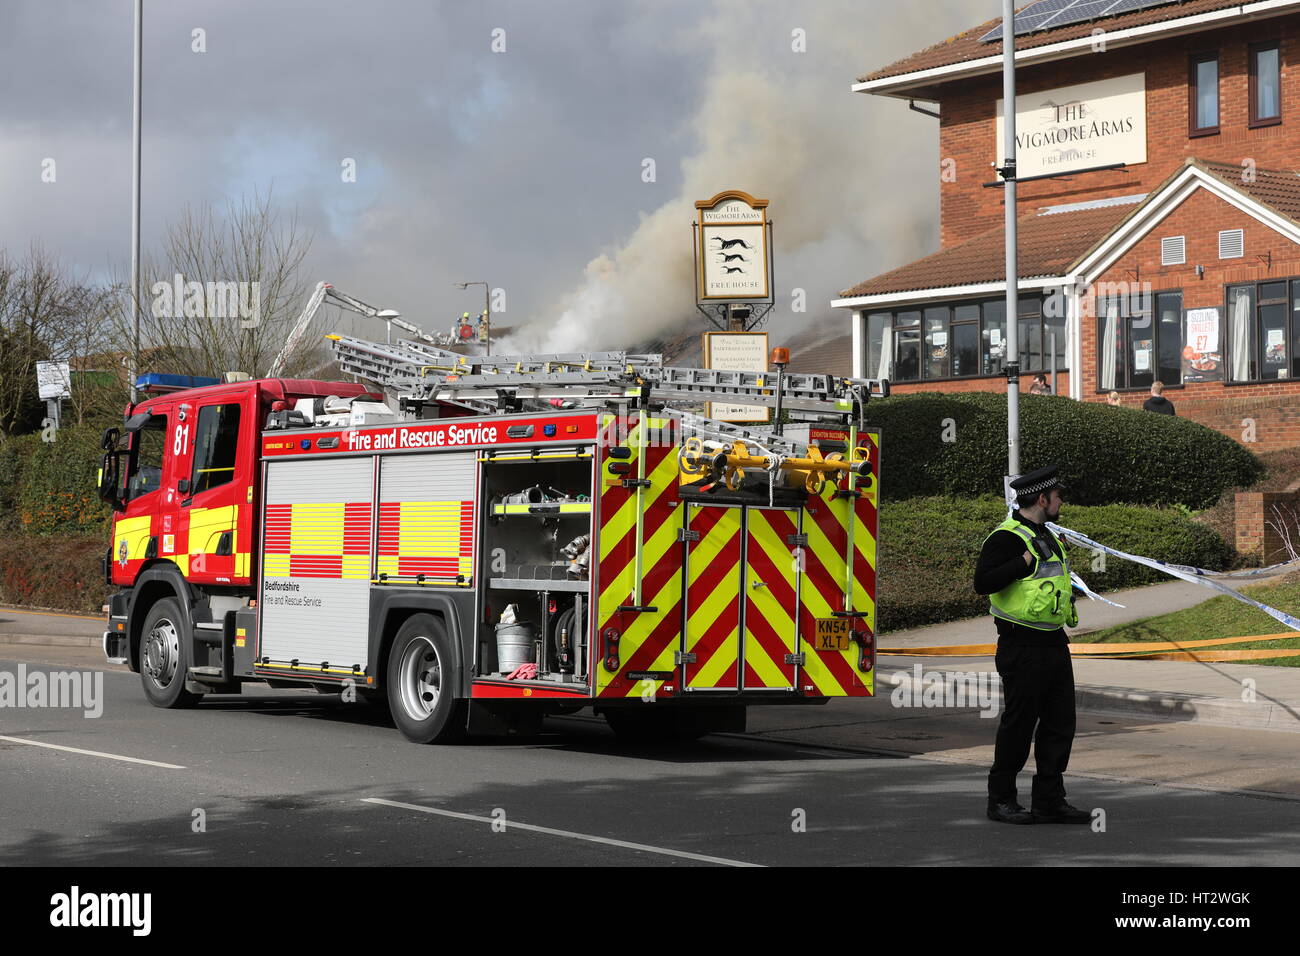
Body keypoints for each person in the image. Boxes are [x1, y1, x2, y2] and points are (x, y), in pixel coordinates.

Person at [974, 465, 1090, 825]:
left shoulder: (1047, 534)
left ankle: (1049, 800)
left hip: (1054, 643)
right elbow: (983, 582)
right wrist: (1022, 562)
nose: (1061, 501)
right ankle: (1002, 800)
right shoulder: (1006, 538)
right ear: (1042, 499)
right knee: (1019, 725)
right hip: (1020, 646)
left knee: (1059, 725)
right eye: (1057, 497)